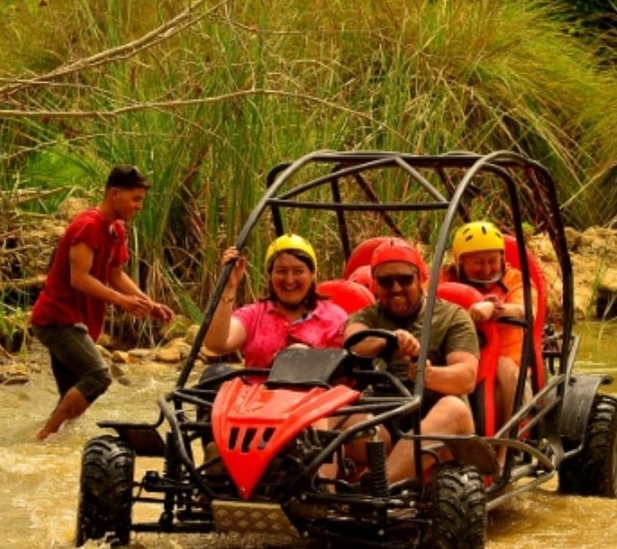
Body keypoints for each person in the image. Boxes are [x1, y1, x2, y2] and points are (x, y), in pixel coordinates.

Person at [29, 165, 174, 441]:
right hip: (56, 319)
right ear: (114, 194)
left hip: (73, 320)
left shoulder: (116, 230)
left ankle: (49, 446)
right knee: (98, 376)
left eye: (141, 200)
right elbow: (79, 279)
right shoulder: (88, 226)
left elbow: (114, 274)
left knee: (72, 397)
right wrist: (121, 301)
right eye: (136, 199)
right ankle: (44, 437)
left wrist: (149, 303)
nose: (139, 206)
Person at [343, 237, 479, 484]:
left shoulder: (452, 317)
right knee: (335, 412)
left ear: (420, 280)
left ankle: (375, 487)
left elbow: (466, 378)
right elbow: (354, 343)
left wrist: (427, 375)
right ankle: (316, 493)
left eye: (405, 279)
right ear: (375, 285)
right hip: (384, 420)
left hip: (439, 421)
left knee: (453, 408)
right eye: (385, 281)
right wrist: (390, 341)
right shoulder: (367, 316)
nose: (395, 288)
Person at [442, 220, 532, 436]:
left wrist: (494, 308)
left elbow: (527, 311)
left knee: (503, 369)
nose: (487, 269)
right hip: (458, 352)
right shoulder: (445, 278)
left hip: (508, 359)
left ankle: (509, 447)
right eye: (478, 263)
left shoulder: (515, 279)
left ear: (502, 258)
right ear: (461, 262)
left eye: (493, 261)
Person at [202, 233, 348, 366]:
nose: (289, 280)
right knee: (215, 373)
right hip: (259, 392)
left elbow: (344, 374)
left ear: (312, 275)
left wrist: (301, 358)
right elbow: (215, 344)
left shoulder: (335, 318)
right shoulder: (254, 315)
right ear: (270, 276)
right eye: (281, 271)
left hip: (317, 393)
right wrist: (229, 287)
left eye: (298, 271)